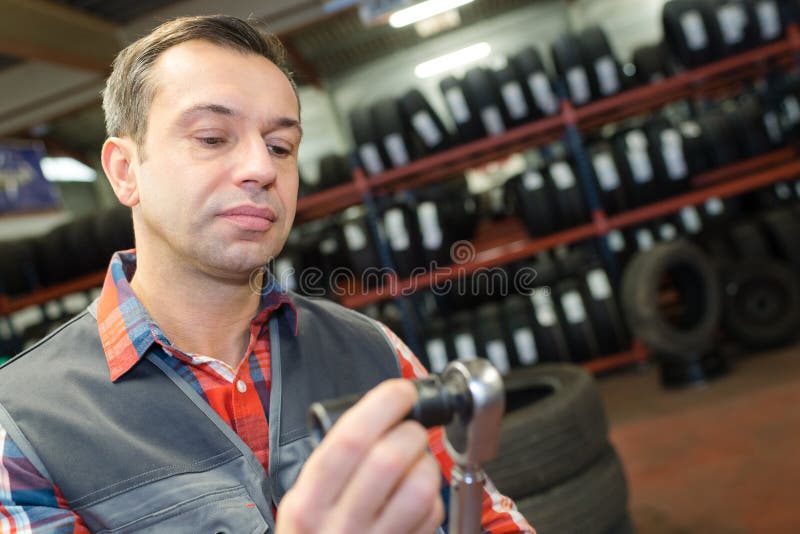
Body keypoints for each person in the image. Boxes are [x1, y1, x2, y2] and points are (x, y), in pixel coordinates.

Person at [0, 15, 533, 533]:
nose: (261, 167)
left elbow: (484, 517)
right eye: (212, 137)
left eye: (281, 146)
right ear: (124, 171)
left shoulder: (371, 349)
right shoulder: (22, 424)